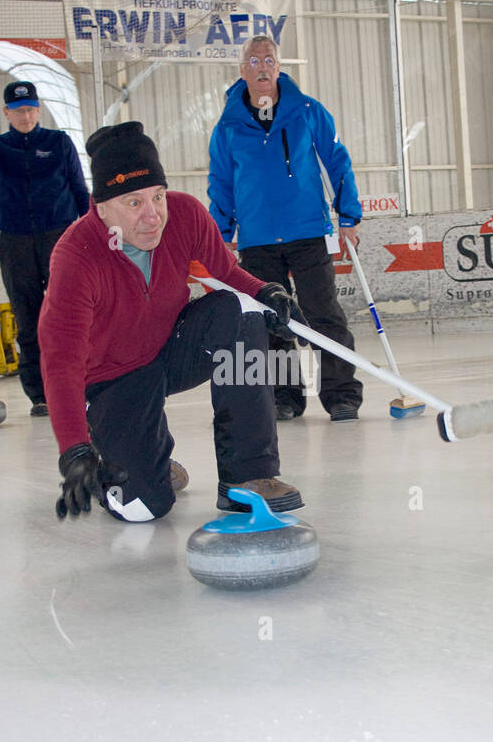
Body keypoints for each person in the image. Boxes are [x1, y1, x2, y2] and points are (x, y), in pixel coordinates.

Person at [40, 121, 306, 523]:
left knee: (242, 309)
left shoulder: (184, 214)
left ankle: (249, 476)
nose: (153, 216)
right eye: (134, 203)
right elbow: (61, 360)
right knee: (142, 509)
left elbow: (227, 274)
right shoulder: (77, 256)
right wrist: (74, 448)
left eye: (158, 196)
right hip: (112, 379)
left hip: (169, 349)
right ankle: (136, 454)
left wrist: (267, 292)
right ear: (101, 205)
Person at [207, 34, 364, 422]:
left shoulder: (308, 111)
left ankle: (341, 394)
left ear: (279, 68)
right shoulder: (227, 127)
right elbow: (221, 182)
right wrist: (222, 233)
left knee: (323, 314)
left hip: (307, 230)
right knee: (270, 319)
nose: (262, 67)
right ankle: (284, 397)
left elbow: (337, 163)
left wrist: (348, 216)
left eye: (269, 60)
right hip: (258, 239)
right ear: (242, 71)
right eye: (254, 61)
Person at [0, 81, 90, 416]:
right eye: (18, 110)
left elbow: (78, 187)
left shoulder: (58, 142)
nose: (25, 116)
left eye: (30, 109)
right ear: (6, 113)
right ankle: (40, 395)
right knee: (28, 319)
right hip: (15, 241)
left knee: (68, 315)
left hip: (59, 238)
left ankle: (77, 387)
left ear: (39, 110)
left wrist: (90, 230)